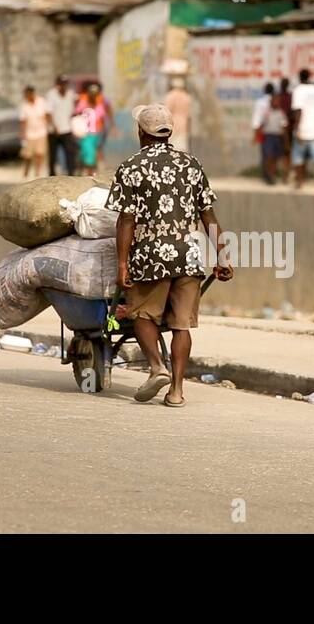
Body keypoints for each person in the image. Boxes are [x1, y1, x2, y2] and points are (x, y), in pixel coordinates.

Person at [106, 104, 233, 407]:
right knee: (181, 325)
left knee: (141, 314)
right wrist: (223, 256)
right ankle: (176, 390)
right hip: (189, 255)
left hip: (151, 255)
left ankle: (156, 367)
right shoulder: (191, 164)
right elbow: (208, 216)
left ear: (141, 132)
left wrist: (122, 264)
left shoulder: (131, 167)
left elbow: (126, 220)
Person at [45, 75, 78, 176]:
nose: (63, 86)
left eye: (65, 84)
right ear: (57, 85)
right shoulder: (51, 95)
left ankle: (71, 173)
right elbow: (48, 113)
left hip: (67, 129)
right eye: (61, 84)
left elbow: (76, 105)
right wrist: (54, 127)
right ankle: (52, 174)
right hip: (54, 131)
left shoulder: (70, 94)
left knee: (70, 152)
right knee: (53, 155)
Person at [75, 83, 106, 175]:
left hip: (96, 134)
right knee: (88, 154)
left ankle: (91, 173)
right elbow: (76, 114)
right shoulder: (83, 104)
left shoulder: (99, 105)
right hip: (85, 134)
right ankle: (88, 173)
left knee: (93, 154)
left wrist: (102, 133)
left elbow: (102, 120)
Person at [256, 94, 287, 185]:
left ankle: (272, 175)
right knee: (269, 156)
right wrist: (258, 137)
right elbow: (261, 125)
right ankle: (268, 175)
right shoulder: (267, 113)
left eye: (277, 100)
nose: (276, 102)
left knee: (275, 158)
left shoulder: (281, 113)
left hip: (277, 137)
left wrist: (285, 142)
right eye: (274, 100)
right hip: (268, 137)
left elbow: (284, 127)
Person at [19, 85, 48, 178]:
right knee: (28, 156)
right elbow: (23, 121)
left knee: (39, 153)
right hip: (30, 133)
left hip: (41, 131)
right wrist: (22, 133)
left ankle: (37, 173)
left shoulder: (41, 102)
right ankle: (26, 173)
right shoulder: (24, 106)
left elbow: (47, 114)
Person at [251, 82, 275, 184]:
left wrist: (255, 134)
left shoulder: (260, 102)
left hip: (263, 131)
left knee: (265, 154)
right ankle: (269, 175)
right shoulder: (275, 101)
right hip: (275, 131)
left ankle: (266, 175)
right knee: (272, 155)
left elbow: (257, 120)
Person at [164, 77, 192, 152]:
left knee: (172, 144)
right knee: (182, 145)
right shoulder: (187, 96)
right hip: (183, 123)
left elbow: (168, 111)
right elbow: (189, 114)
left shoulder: (170, 95)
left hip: (173, 122)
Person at [276, 77, 293, 181]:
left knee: (286, 152)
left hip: (284, 129)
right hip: (284, 128)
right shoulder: (289, 97)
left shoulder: (282, 97)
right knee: (286, 153)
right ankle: (284, 175)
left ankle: (285, 175)